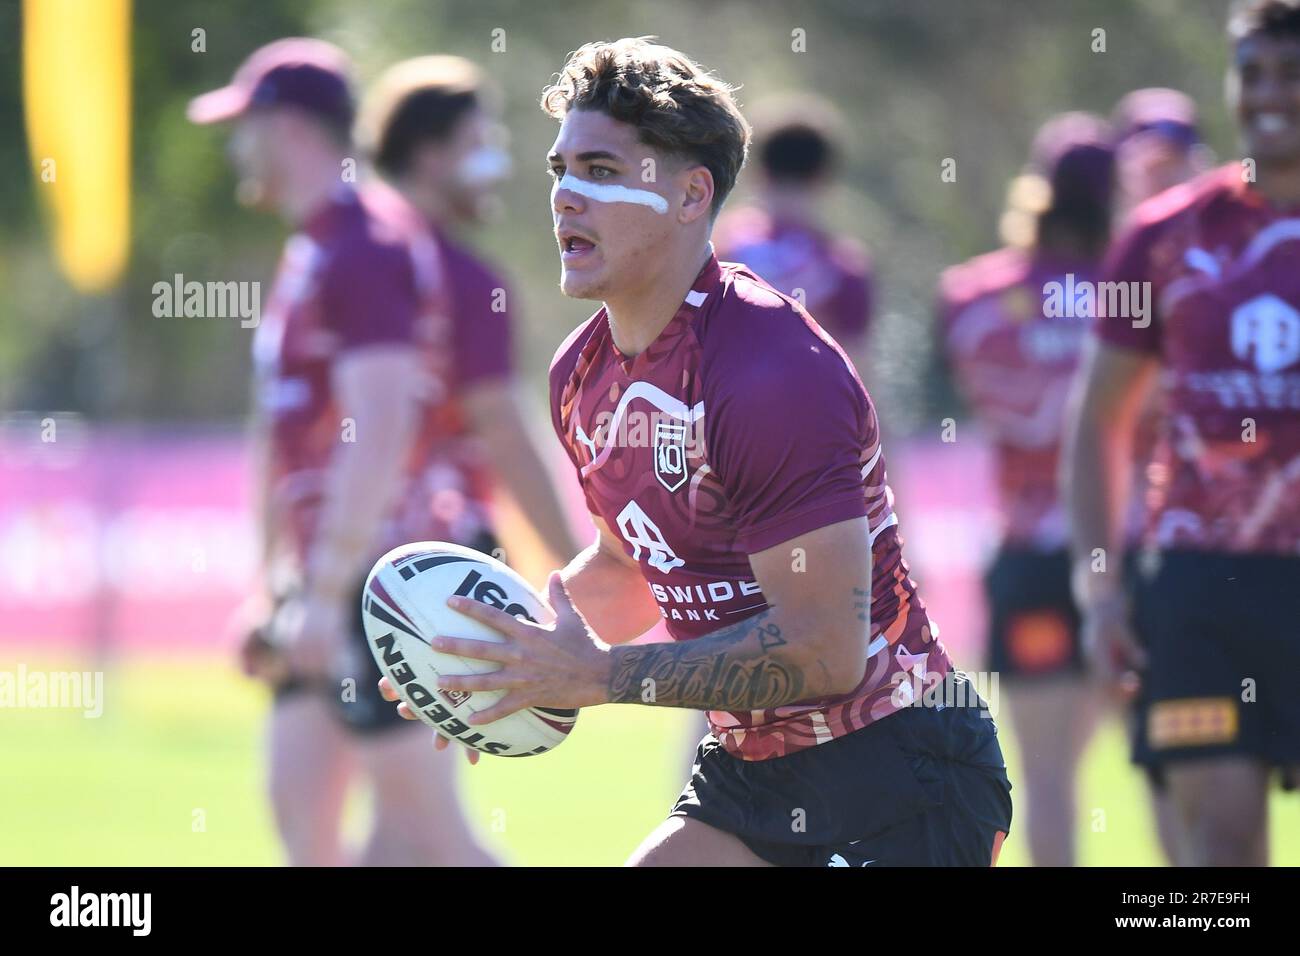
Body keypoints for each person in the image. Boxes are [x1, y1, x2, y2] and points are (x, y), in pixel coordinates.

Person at [383, 37, 1013, 867]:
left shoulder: (770, 370)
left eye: (602, 171)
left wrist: (602, 676)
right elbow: (629, 564)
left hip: (903, 771)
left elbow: (823, 648)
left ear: (690, 195)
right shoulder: (581, 375)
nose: (567, 197)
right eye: (559, 169)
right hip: (752, 776)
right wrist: (506, 665)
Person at [191, 37, 512, 866]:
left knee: (431, 843)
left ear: (291, 129)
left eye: (244, 126)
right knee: (307, 821)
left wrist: (328, 590)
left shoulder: (366, 246)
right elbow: (284, 438)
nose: (236, 148)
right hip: (327, 588)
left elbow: (378, 428)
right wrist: (277, 586)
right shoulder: (312, 248)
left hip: (381, 584)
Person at [1064, 0, 1300, 866]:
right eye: (1253, 73)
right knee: (1220, 856)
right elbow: (1097, 422)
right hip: (1202, 590)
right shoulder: (1164, 237)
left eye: (1291, 72)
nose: (1269, 94)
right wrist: (1100, 593)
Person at [937, 113, 1116, 867]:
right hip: (1129, 557)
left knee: (1045, 780)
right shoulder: (1139, 294)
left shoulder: (972, 294)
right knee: (1173, 776)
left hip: (1029, 557)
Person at [713, 97, 874, 363]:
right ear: (823, 176)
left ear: (758, 171)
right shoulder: (843, 266)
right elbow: (858, 369)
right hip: (810, 400)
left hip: (719, 399)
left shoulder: (720, 246)